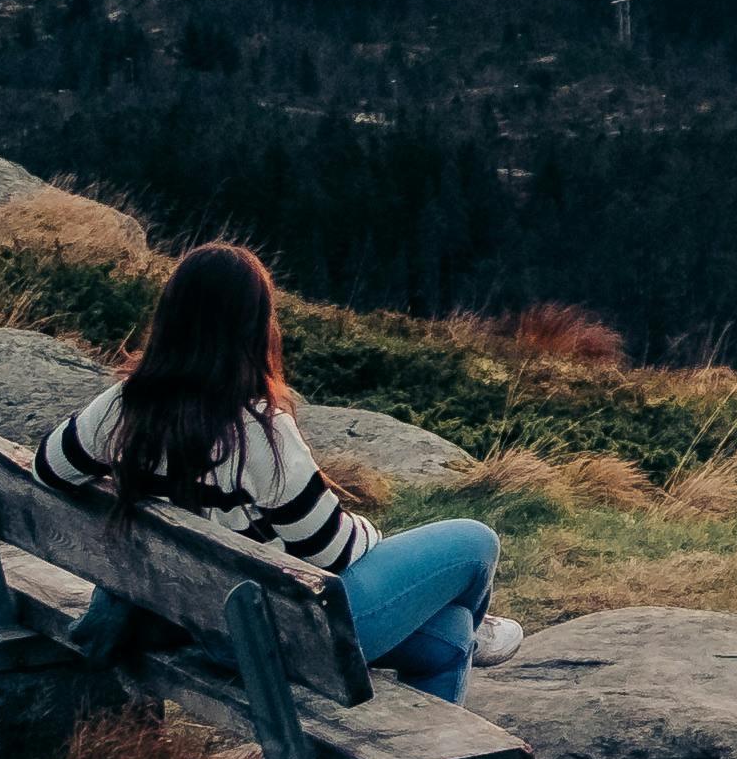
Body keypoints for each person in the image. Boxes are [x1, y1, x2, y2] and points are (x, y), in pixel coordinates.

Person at [32, 240, 499, 703]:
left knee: (452, 636)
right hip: (272, 639)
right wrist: (371, 532)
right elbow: (332, 553)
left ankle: (455, 685)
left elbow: (48, 470)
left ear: (170, 317)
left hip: (193, 618)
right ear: (255, 327)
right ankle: (479, 636)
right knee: (477, 542)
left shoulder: (122, 405)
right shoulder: (256, 429)